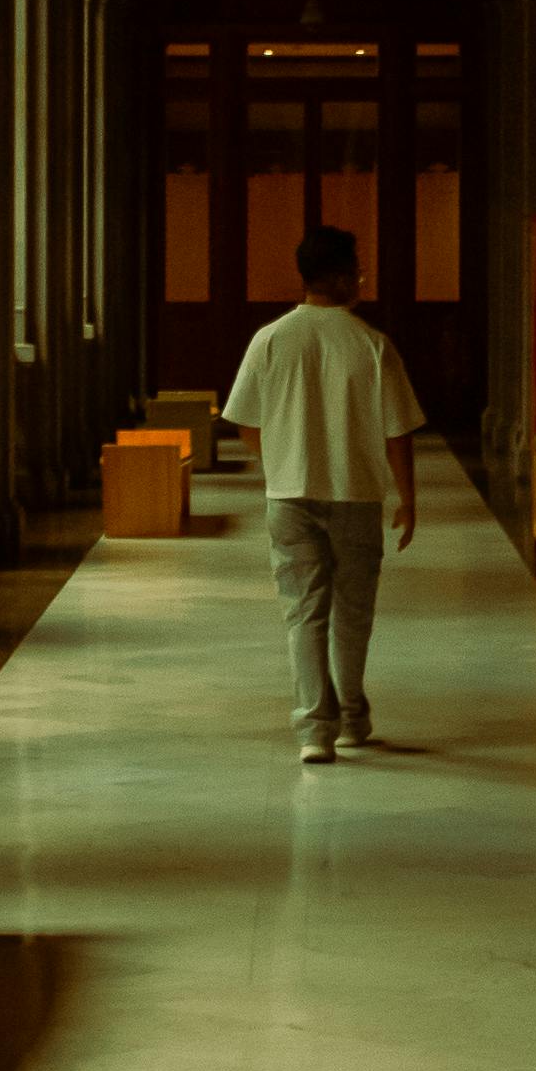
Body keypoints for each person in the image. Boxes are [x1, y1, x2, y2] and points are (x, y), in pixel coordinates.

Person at [221, 225, 423, 768]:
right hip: (356, 493)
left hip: (289, 495)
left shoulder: (270, 339)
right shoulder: (371, 344)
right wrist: (407, 497)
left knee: (304, 611)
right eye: (356, 270)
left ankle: (314, 730)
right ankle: (353, 717)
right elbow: (398, 431)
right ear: (335, 276)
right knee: (353, 612)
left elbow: (244, 420)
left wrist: (280, 462)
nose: (361, 279)